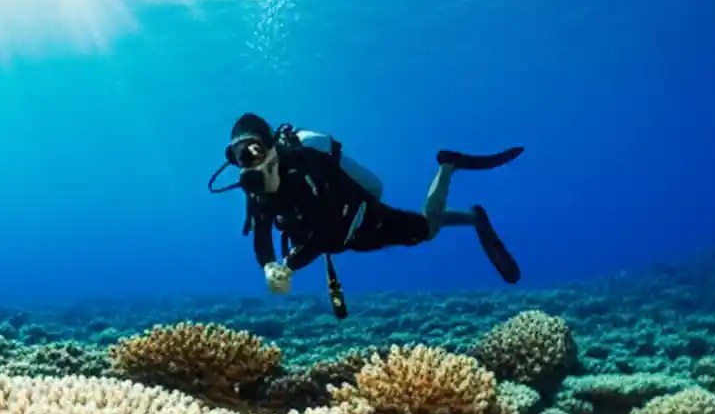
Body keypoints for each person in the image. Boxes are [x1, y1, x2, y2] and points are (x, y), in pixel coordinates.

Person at [208, 113, 522, 308]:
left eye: (254, 151)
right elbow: (261, 237)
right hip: (346, 238)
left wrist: (289, 265)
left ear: (272, 148)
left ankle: (448, 166)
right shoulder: (257, 191)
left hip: (362, 219)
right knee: (428, 226)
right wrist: (268, 267)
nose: (248, 162)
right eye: (239, 156)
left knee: (427, 230)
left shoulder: (305, 165)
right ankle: (471, 217)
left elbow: (326, 230)